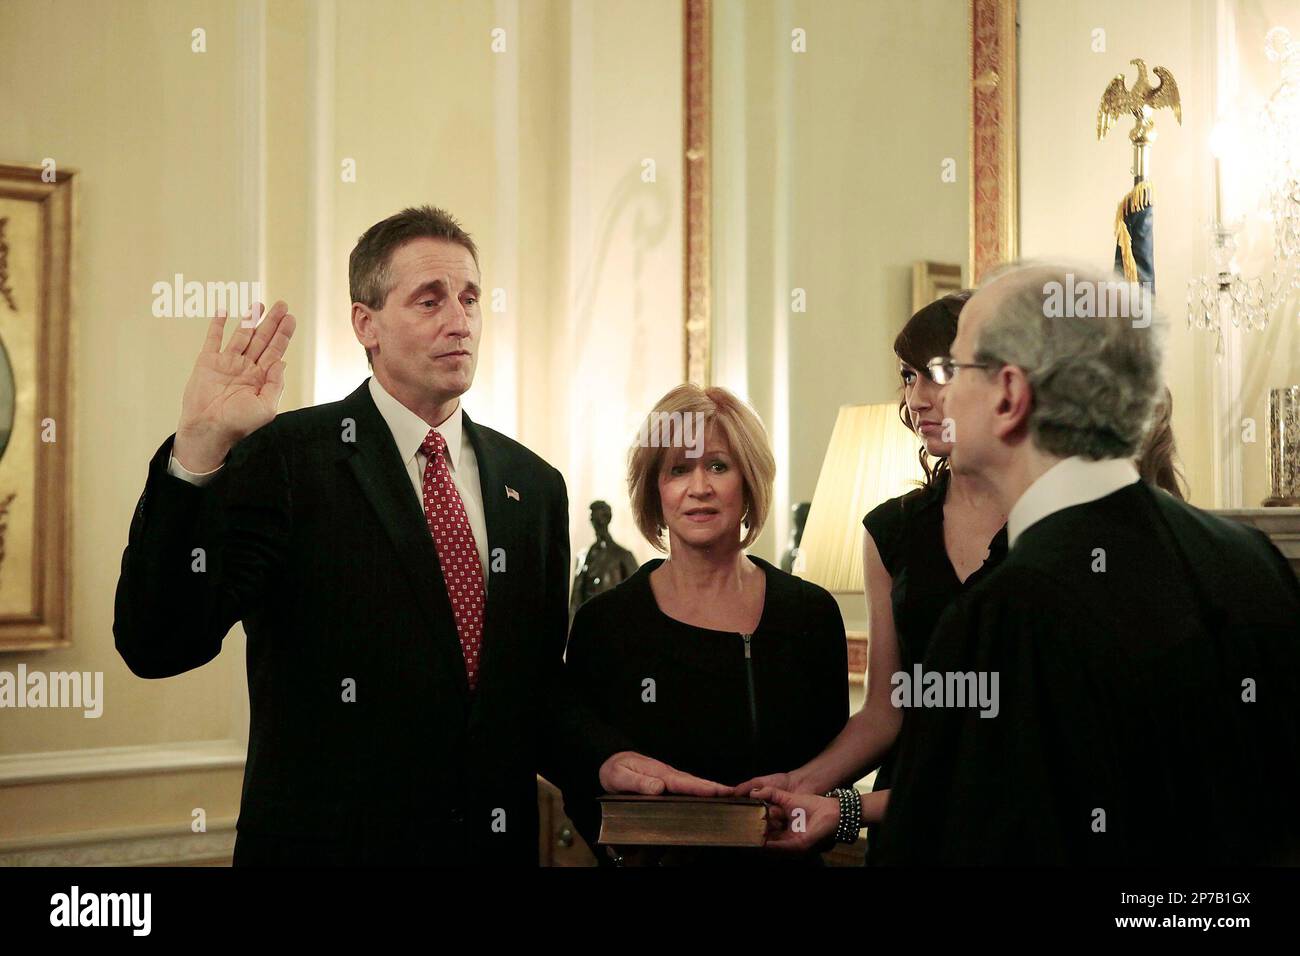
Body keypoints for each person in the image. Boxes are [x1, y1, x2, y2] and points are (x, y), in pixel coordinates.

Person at [113, 205, 726, 867]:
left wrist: (603, 759)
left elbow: (530, 691)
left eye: (469, 299)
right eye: (429, 301)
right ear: (365, 324)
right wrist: (198, 451)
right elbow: (159, 642)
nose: (459, 321)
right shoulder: (289, 458)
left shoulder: (533, 485)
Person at [754, 259, 1300, 864]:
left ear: (1009, 396)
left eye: (954, 368)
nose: (923, 400)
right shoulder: (1253, 560)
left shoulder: (1006, 612)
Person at [732, 292, 1008, 856]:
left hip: (1022, 825)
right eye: (909, 377)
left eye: (939, 374)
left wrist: (848, 808)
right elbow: (885, 710)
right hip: (910, 828)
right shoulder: (892, 531)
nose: (918, 397)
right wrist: (803, 782)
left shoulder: (1050, 528)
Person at [562, 384, 849, 865]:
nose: (700, 488)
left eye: (718, 465)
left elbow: (830, 771)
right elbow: (583, 778)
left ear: (749, 479)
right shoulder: (605, 623)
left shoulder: (810, 613)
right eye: (678, 469)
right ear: (655, 487)